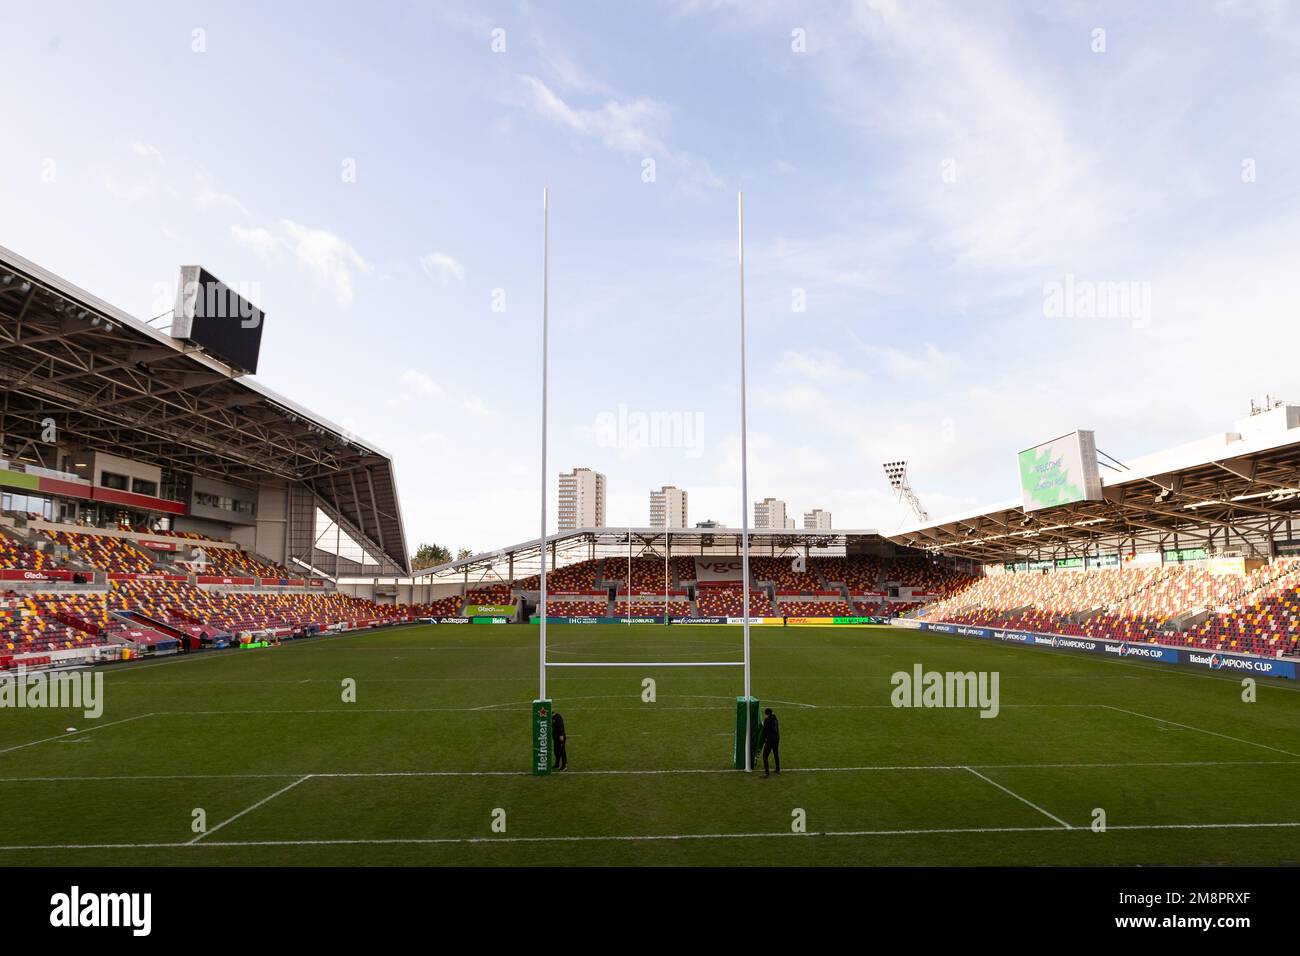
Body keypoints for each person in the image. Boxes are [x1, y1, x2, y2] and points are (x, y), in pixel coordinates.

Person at [761, 707, 780, 777]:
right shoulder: (775, 718)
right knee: (776, 754)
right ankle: (778, 769)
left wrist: (763, 739)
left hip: (770, 739)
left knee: (765, 756)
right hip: (777, 738)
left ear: (766, 714)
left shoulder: (767, 720)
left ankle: (766, 773)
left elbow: (764, 731)